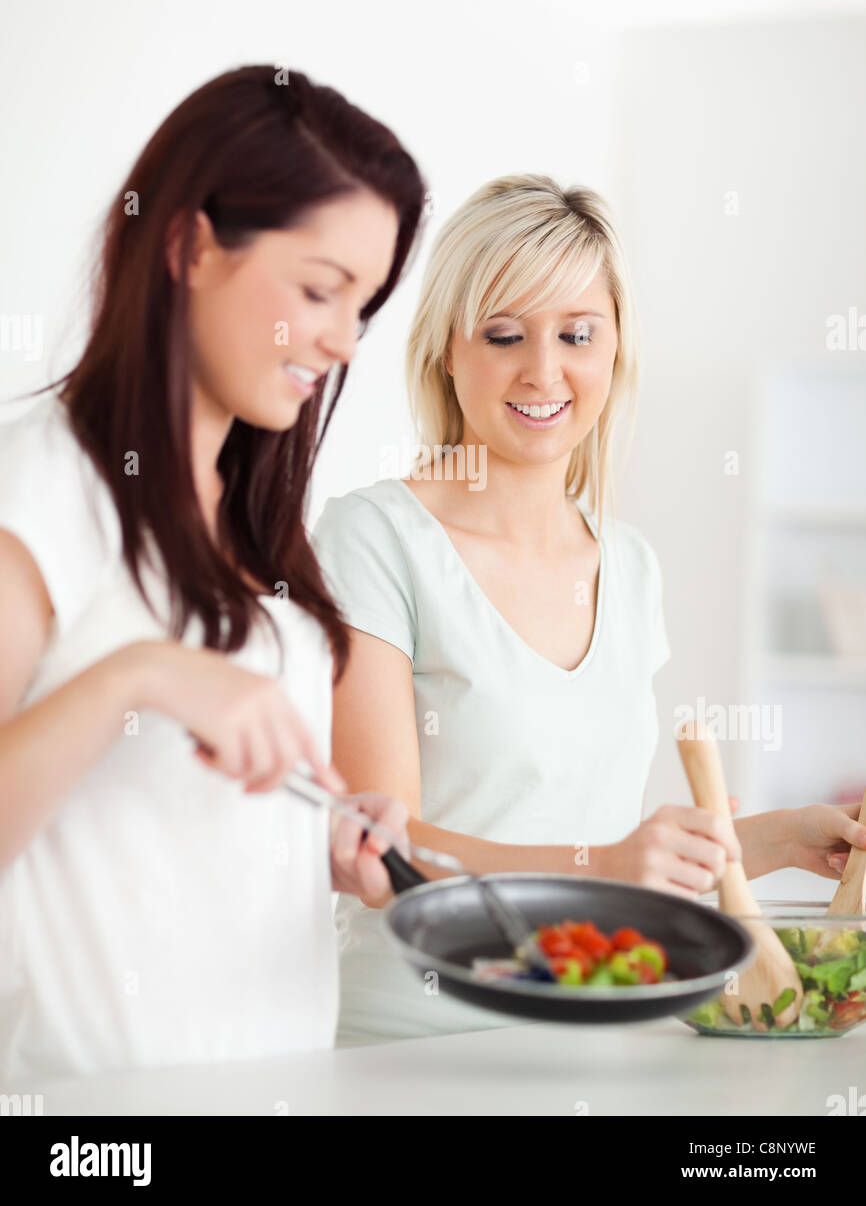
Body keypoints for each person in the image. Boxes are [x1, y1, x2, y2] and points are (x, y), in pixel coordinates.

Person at [313, 174, 866, 1044]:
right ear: (447, 352)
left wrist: (780, 839)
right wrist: (603, 865)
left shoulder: (630, 565)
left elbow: (608, 846)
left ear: (614, 351)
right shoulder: (375, 539)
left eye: (577, 334)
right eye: (504, 334)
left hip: (595, 1036)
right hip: (415, 1046)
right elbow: (386, 846)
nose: (544, 370)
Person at [0, 65, 425, 1083]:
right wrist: (137, 676)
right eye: (319, 289)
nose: (341, 337)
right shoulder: (43, 483)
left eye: (360, 304)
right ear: (189, 244)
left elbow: (179, 821)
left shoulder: (258, 525)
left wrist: (328, 837)